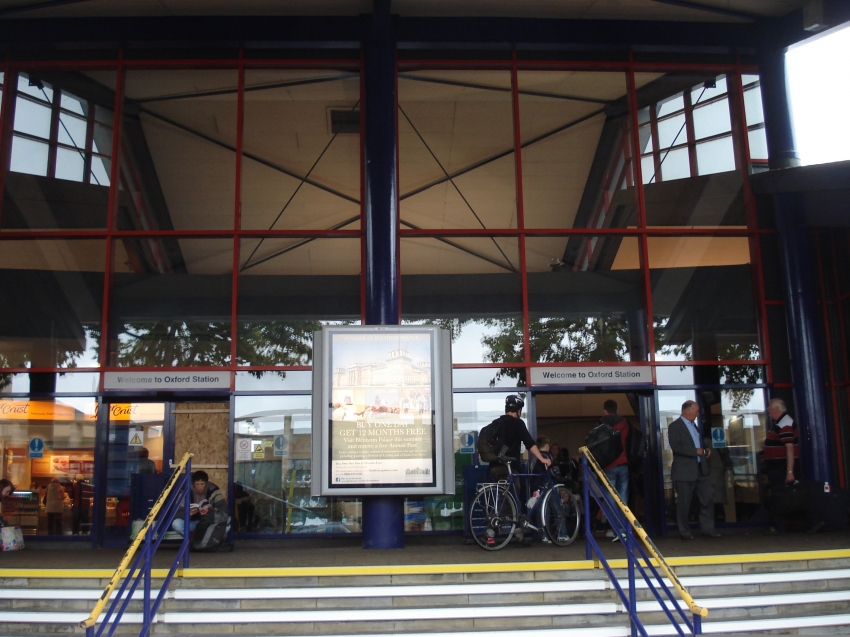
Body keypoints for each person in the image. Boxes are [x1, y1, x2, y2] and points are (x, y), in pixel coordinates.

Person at [668, 400, 721, 539]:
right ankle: (685, 532)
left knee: (708, 498)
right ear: (687, 411)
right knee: (684, 503)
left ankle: (708, 529)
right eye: (696, 411)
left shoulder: (695, 426)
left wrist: (704, 449)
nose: (698, 414)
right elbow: (676, 447)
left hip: (701, 469)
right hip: (684, 471)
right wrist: (696, 451)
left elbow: (698, 443)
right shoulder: (675, 426)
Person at [486, 395, 551, 481]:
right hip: (508, 466)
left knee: (500, 491)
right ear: (519, 410)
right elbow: (529, 443)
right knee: (514, 491)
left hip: (493, 466)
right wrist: (542, 459)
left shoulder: (497, 423)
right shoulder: (517, 423)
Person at [763, 398, 800, 535]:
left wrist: (789, 471)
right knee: (779, 496)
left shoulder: (785, 423)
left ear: (777, 409)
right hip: (778, 468)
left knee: (781, 497)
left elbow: (790, 448)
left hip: (781, 468)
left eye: (770, 407)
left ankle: (782, 527)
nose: (768, 410)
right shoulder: (780, 423)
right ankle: (781, 526)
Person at [171, 471, 233, 551]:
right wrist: (188, 513)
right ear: (193, 484)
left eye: (202, 484)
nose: (200, 487)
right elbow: (175, 512)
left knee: (227, 526)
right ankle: (194, 541)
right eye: (197, 484)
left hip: (208, 522)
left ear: (206, 483)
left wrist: (209, 511)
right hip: (193, 522)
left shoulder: (213, 490)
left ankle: (205, 542)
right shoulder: (186, 491)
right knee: (176, 524)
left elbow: (223, 509)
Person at [599, 399, 630, 541]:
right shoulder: (625, 424)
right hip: (623, 463)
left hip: (608, 465)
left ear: (605, 410)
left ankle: (619, 530)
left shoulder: (601, 424)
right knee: (623, 499)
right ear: (617, 409)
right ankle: (625, 529)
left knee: (610, 500)